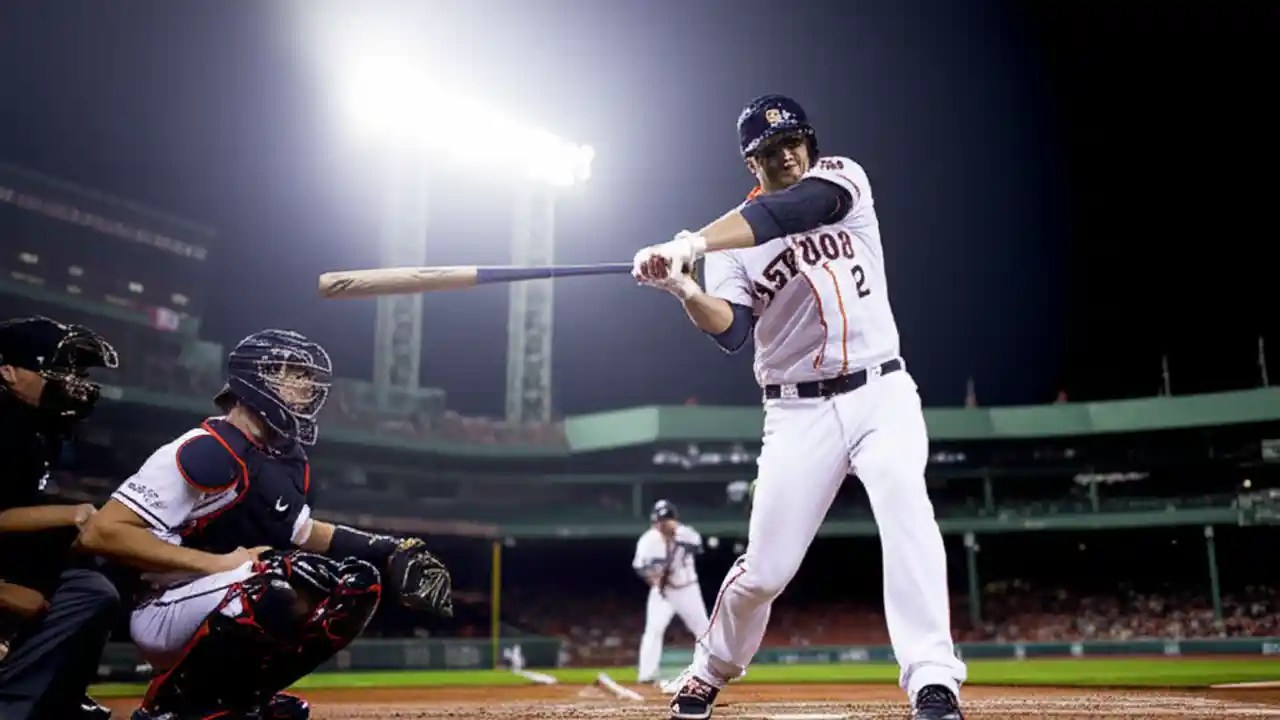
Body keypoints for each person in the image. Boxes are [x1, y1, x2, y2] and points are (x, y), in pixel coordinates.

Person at [631, 95, 966, 720]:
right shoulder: (731, 247)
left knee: (905, 506)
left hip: (880, 391)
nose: (788, 153)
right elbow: (731, 329)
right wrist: (683, 285)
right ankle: (710, 668)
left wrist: (689, 241)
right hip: (797, 412)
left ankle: (933, 677)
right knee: (765, 570)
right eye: (770, 149)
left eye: (796, 141)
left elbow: (796, 211)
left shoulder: (842, 178)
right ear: (749, 162)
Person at [76, 328, 455, 719]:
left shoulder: (280, 459)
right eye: (294, 373)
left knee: (359, 584)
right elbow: (101, 531)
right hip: (164, 608)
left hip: (221, 594)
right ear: (258, 376)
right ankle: (171, 707)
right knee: (278, 577)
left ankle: (242, 699)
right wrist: (221, 565)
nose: (307, 386)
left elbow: (307, 534)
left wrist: (388, 549)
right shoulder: (204, 447)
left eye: (309, 377)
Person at [0, 316, 121, 720]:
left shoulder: (36, 425)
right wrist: (70, 514)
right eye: (57, 368)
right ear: (8, 372)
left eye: (75, 370)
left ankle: (58, 698)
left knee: (95, 585)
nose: (71, 380)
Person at [632, 500, 708, 685]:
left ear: (674, 520)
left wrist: (676, 538)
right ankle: (646, 675)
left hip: (687, 589)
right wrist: (656, 580)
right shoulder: (648, 541)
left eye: (665, 521)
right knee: (653, 630)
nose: (661, 525)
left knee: (704, 631)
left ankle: (705, 673)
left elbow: (698, 545)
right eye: (658, 521)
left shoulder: (686, 534)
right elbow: (640, 567)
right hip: (662, 592)